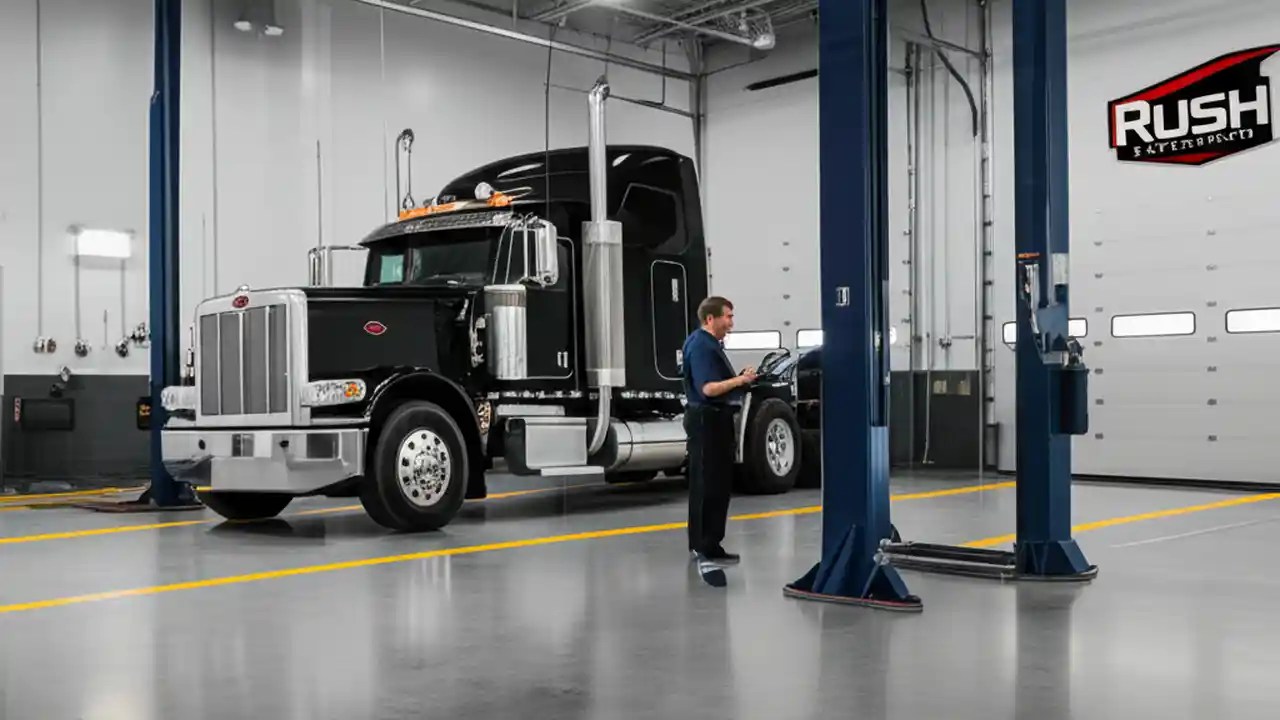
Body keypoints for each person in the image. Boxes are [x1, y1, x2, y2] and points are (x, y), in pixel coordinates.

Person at [682, 296, 756, 576]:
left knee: (710, 483)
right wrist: (741, 381)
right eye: (728, 316)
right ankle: (707, 546)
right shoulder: (702, 345)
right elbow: (709, 389)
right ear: (710, 319)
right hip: (708, 421)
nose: (731, 323)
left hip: (710, 420)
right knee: (711, 484)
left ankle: (704, 543)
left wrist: (739, 378)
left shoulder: (705, 344)